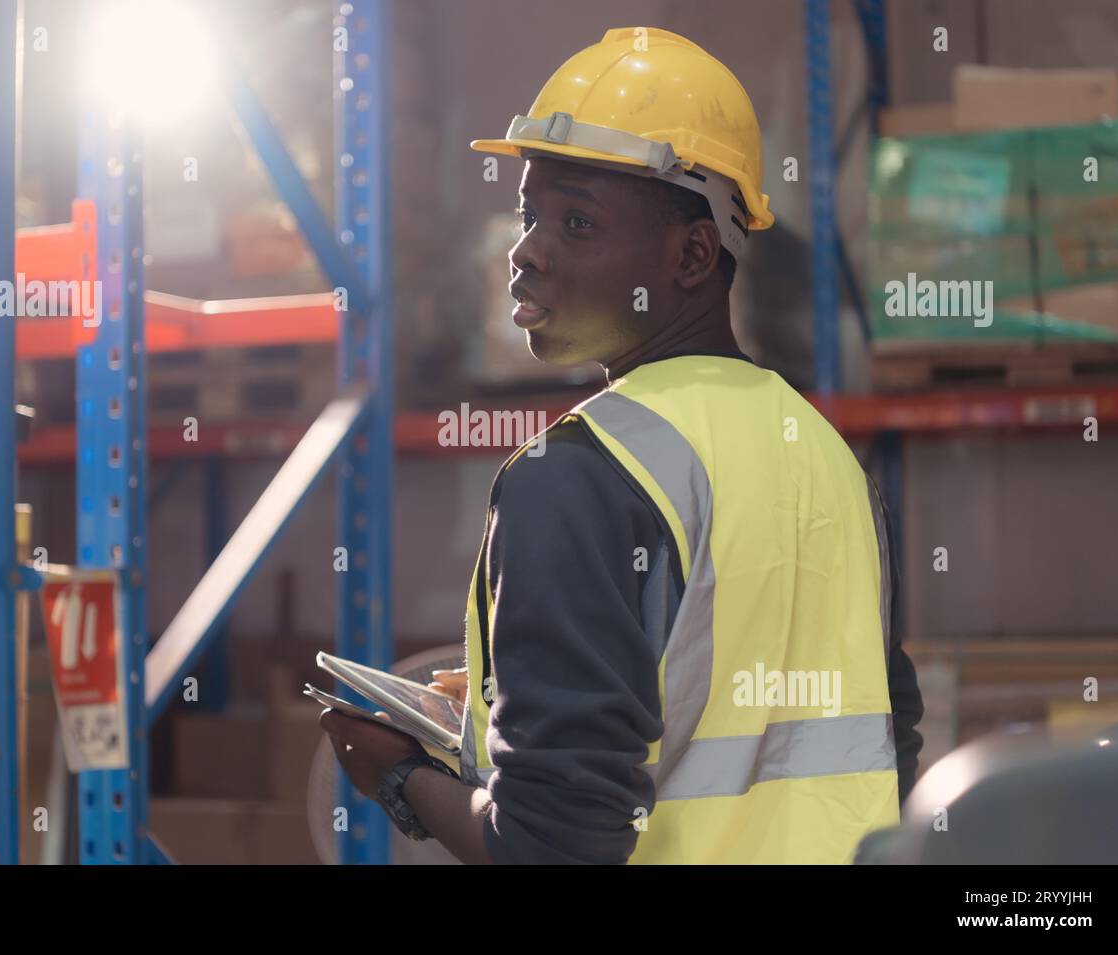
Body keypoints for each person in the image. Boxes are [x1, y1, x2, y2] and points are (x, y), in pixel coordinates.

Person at [319, 26, 924, 864]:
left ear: (693, 253)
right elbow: (885, 734)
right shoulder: (830, 459)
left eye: (576, 221)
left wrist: (397, 774)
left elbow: (552, 846)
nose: (525, 251)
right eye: (529, 214)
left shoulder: (572, 476)